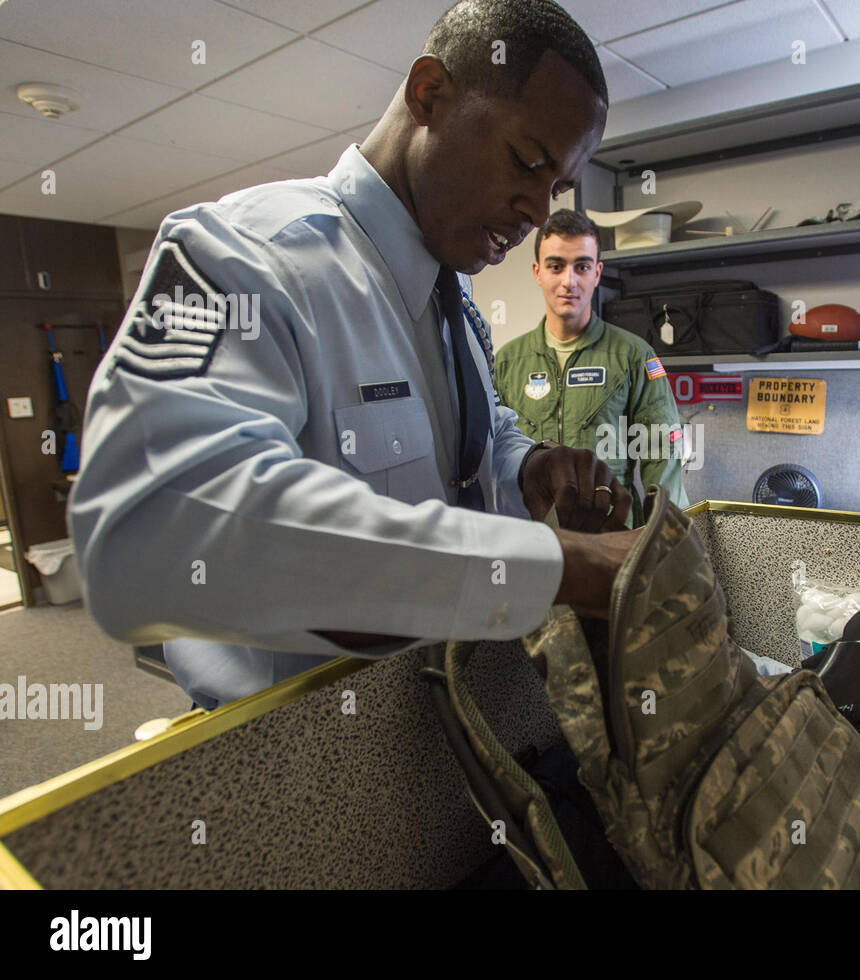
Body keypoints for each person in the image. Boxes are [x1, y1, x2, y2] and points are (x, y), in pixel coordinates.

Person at [68, 0, 637, 710]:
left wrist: (526, 465)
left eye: (553, 189)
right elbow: (151, 534)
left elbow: (473, 441)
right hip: (301, 760)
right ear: (430, 94)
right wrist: (562, 569)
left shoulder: (452, 300)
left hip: (449, 733)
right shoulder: (236, 256)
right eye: (526, 162)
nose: (534, 210)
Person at [494, 209, 689, 526]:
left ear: (597, 273)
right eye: (556, 266)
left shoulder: (633, 356)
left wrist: (664, 539)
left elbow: (662, 455)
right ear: (537, 272)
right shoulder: (506, 362)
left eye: (581, 266)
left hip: (610, 533)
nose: (568, 281)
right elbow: (490, 456)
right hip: (532, 538)